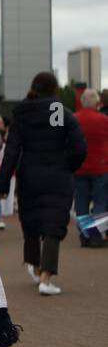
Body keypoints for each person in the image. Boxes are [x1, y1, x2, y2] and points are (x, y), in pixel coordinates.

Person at [0, 72, 87, 293]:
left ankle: (35, 268)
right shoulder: (62, 113)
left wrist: (3, 184)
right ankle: (46, 278)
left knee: (32, 223)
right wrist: (68, 165)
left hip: (29, 176)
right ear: (55, 89)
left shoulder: (22, 114)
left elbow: (11, 152)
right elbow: (79, 147)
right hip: (57, 177)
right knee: (53, 225)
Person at [73, 89, 108, 246]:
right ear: (96, 103)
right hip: (100, 166)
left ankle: (85, 235)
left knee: (81, 203)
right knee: (100, 202)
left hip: (79, 167)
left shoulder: (74, 119)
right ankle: (95, 235)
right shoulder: (103, 120)